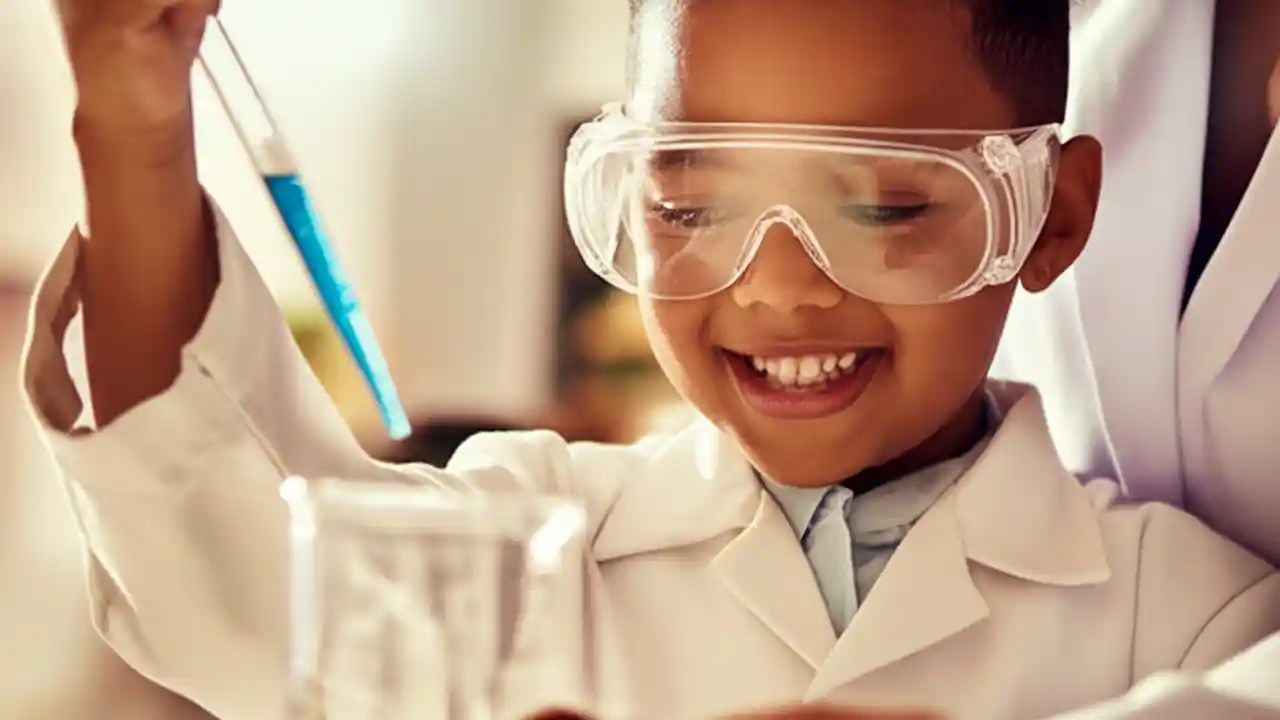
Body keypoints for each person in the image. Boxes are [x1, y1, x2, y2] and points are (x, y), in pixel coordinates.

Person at [20, 1, 1280, 719]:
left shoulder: (1192, 616)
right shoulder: (527, 543)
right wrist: (131, 127)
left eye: (888, 209)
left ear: (1049, 217)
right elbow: (226, 579)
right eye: (689, 207)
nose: (778, 286)